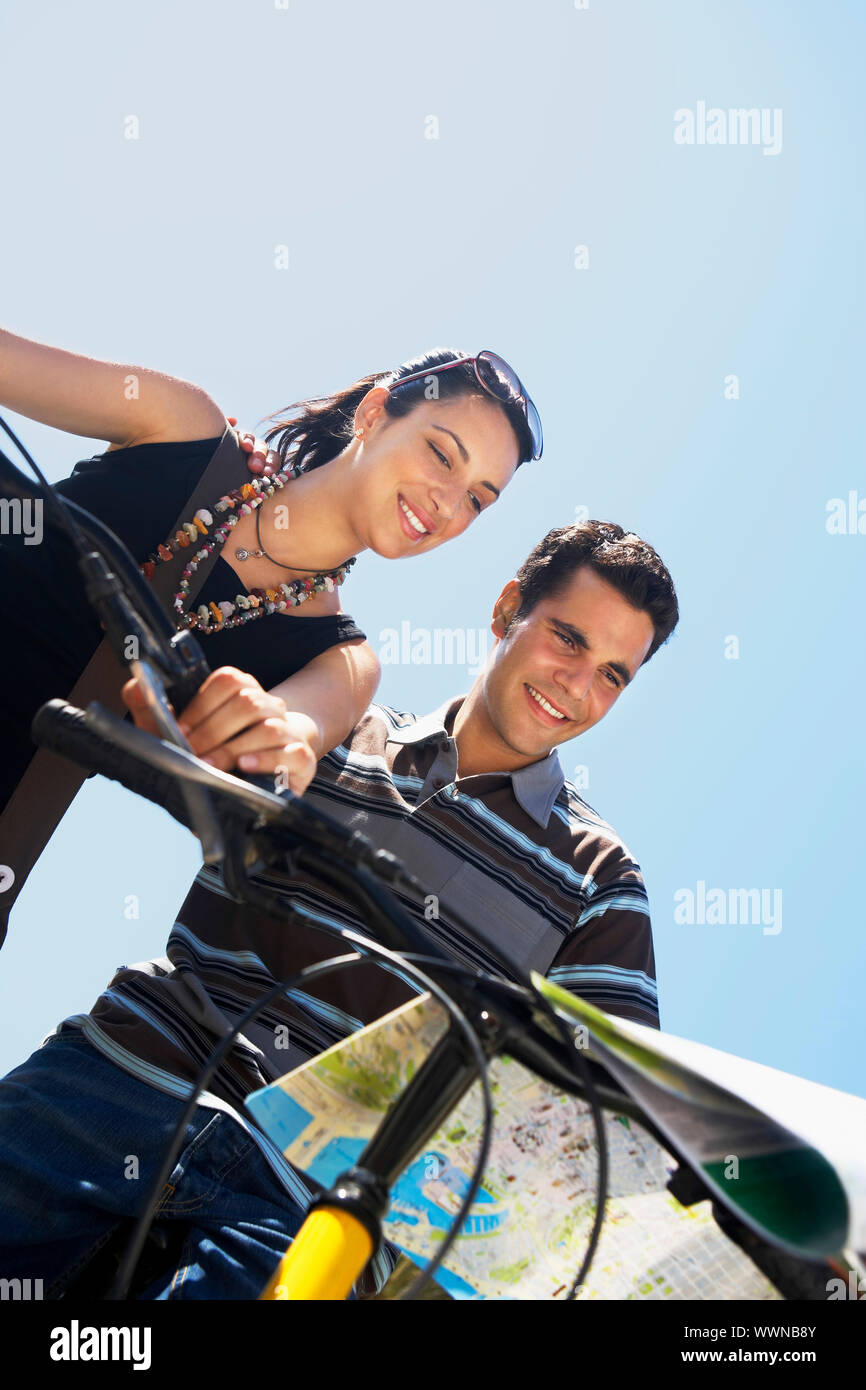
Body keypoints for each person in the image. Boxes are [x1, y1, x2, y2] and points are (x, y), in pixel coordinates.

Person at [0, 519, 679, 1299]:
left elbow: (604, 1119)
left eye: (613, 674)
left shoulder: (600, 875)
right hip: (128, 1076)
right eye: (567, 638)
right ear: (507, 608)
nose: (577, 684)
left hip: (321, 1207)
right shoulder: (341, 725)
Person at [0, 332, 541, 941]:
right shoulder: (183, 428)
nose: (448, 505)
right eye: (442, 455)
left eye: (477, 499)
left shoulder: (345, 661)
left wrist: (268, 742)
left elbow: (292, 736)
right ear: (373, 414)